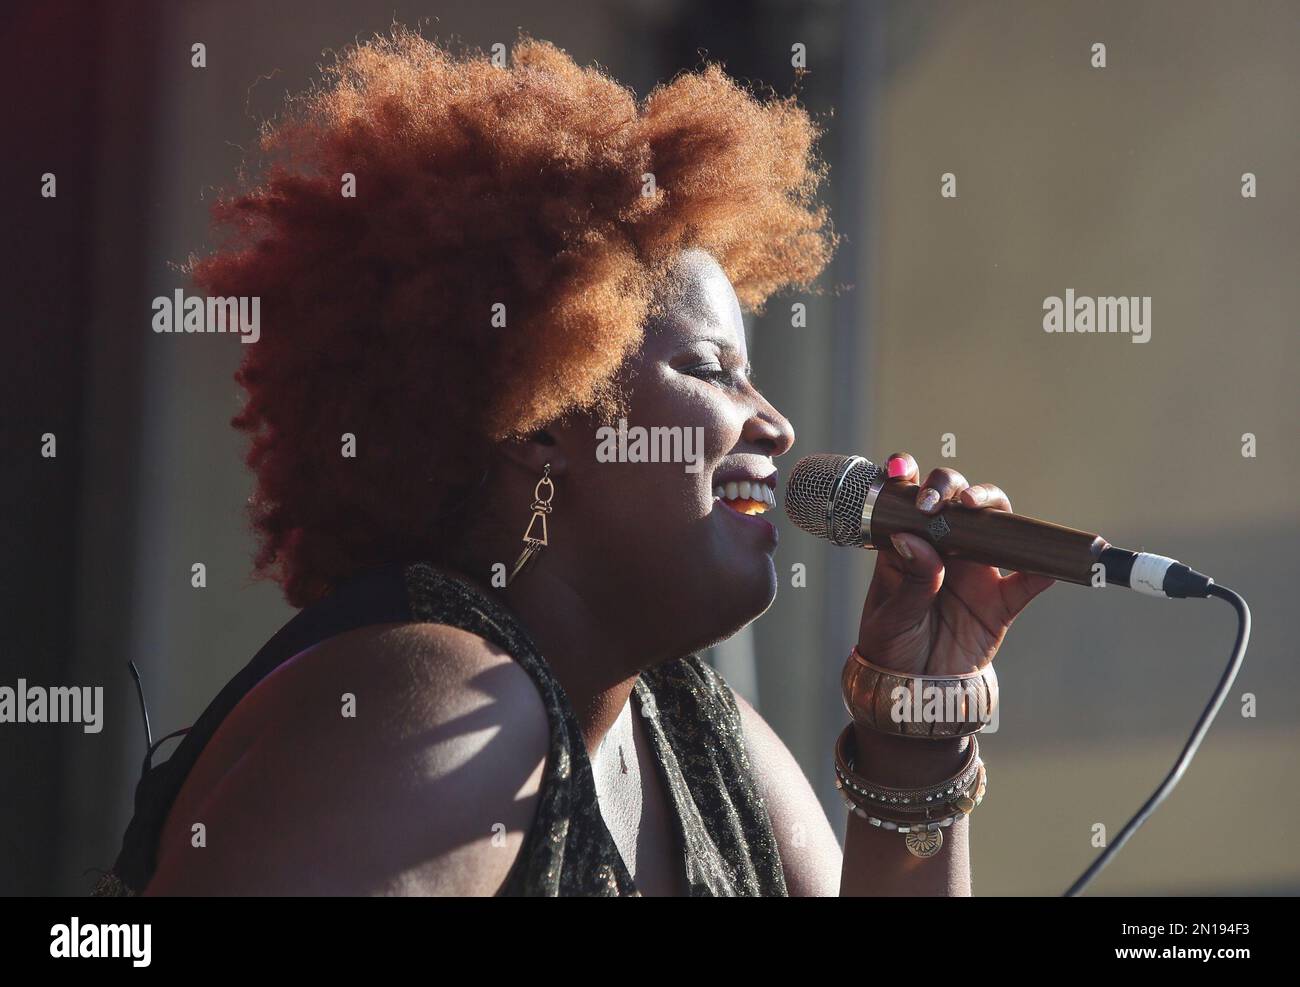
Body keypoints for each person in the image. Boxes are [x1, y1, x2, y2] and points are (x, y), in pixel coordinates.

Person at [93, 28, 1052, 897]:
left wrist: (917, 735)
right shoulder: (429, 703)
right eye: (714, 371)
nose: (778, 425)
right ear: (541, 418)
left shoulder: (702, 744)